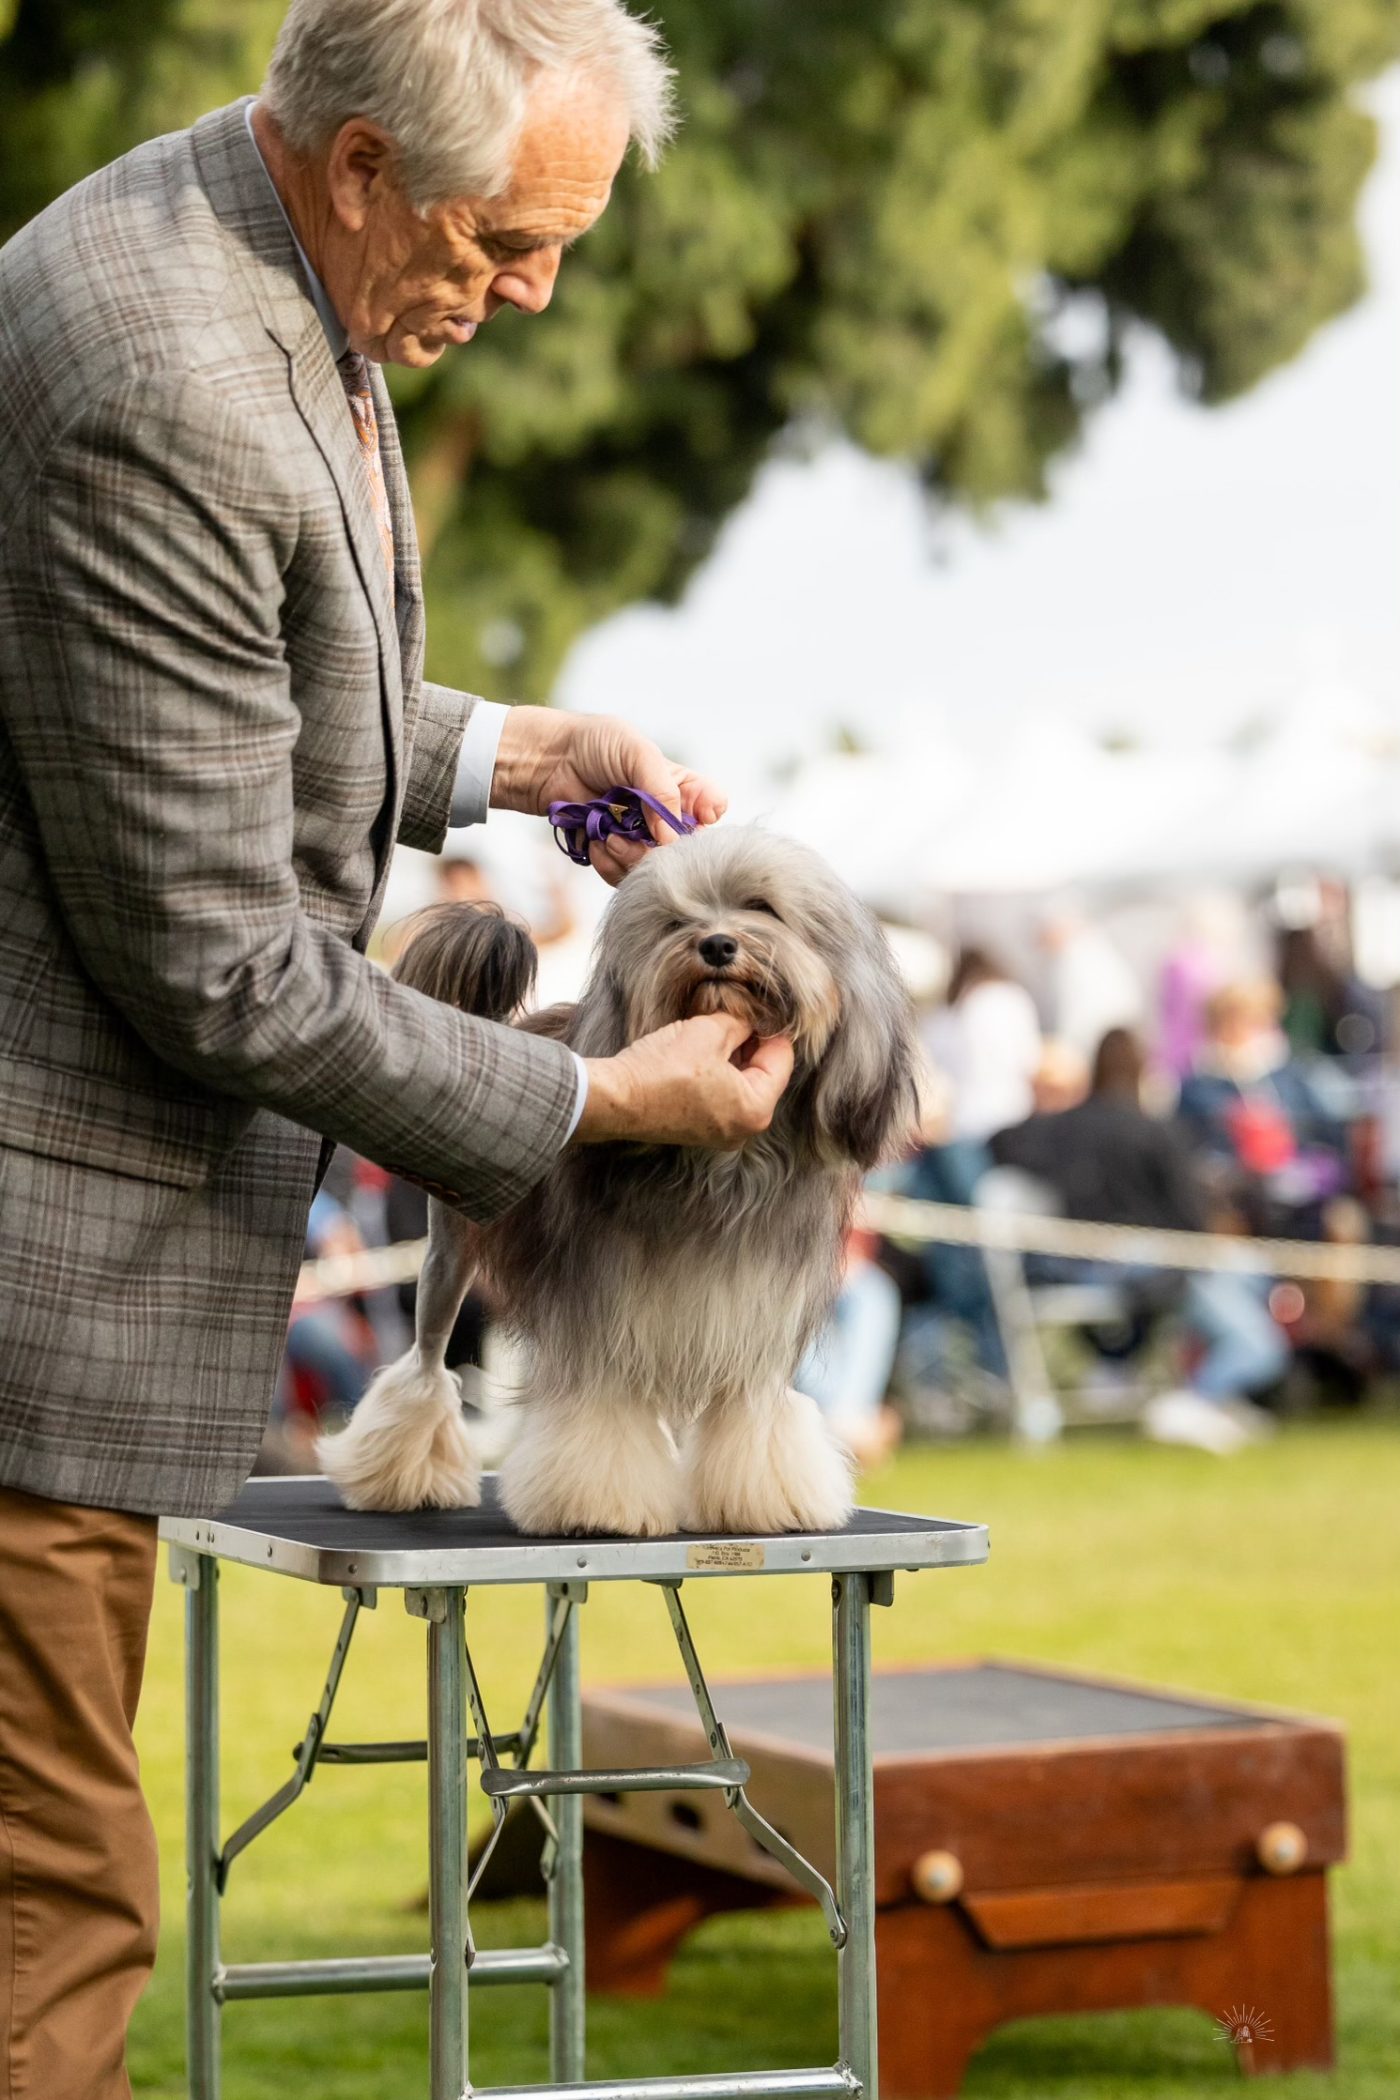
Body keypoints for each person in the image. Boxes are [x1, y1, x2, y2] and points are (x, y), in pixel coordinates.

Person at [0, 6, 797, 2095]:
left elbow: (247, 657)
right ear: (360, 164)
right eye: (505, 242)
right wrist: (599, 1101)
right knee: (51, 1904)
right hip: (36, 1298)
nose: (531, 293)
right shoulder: (161, 371)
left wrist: (510, 754)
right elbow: (222, 970)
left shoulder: (253, 247)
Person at [992, 1029, 1287, 1453]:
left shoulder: (1063, 1128)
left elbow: (1000, 1142)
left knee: (1245, 1276)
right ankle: (1197, 1399)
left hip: (1088, 1263)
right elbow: (1192, 1217)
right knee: (1255, 1315)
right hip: (1152, 1264)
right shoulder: (1155, 1131)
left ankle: (1211, 1395)